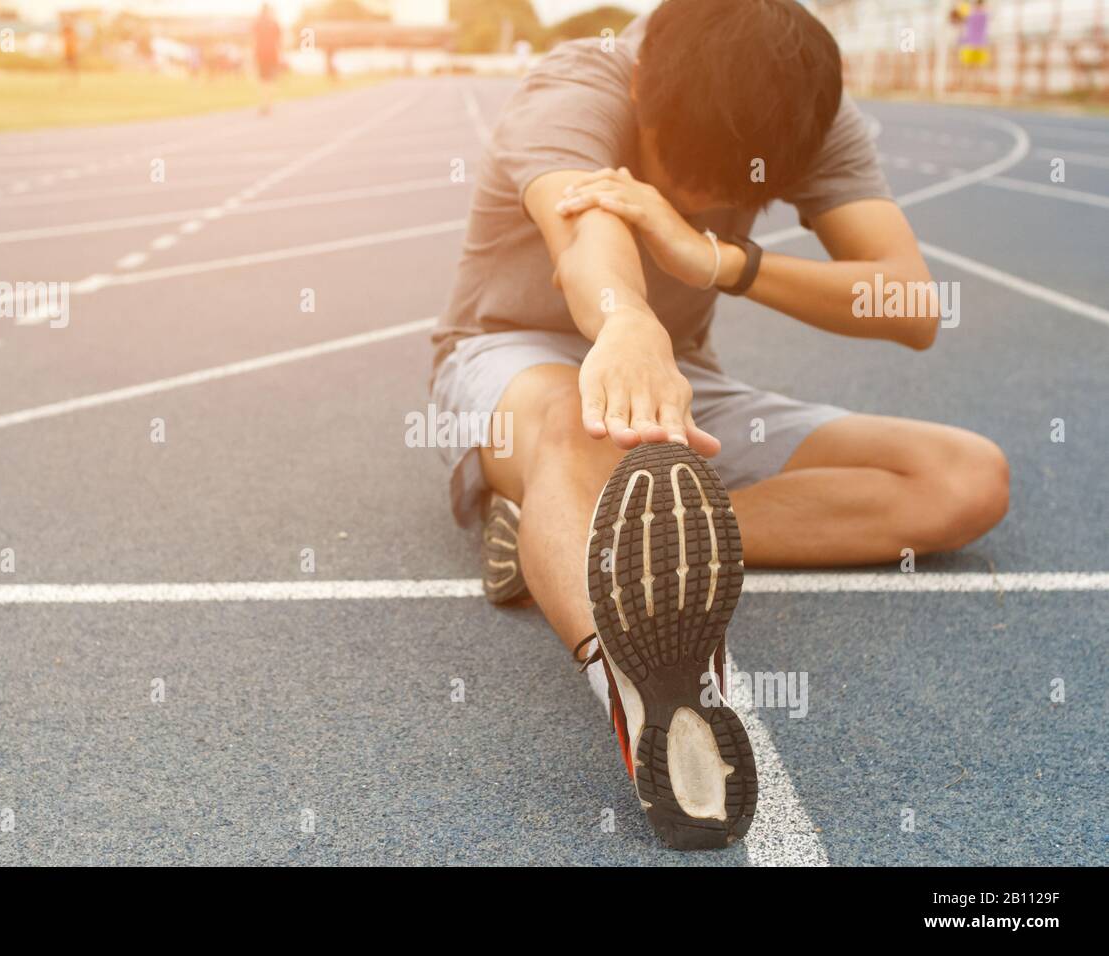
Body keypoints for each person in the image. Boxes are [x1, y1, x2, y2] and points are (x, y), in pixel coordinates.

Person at [429, 0, 1008, 850]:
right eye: (678, 173)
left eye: (735, 194)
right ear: (642, 91)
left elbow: (912, 303)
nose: (702, 200)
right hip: (512, 356)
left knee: (964, 479)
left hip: (678, 374)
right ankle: (638, 691)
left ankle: (604, 534)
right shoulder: (580, 83)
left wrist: (720, 259)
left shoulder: (801, 106)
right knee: (583, 423)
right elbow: (585, 229)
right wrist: (627, 324)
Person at [253, 3, 282, 115]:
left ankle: (264, 103)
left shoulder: (258, 23)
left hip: (261, 53)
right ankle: (268, 104)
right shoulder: (273, 23)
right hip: (271, 54)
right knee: (269, 80)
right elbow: (279, 41)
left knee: (263, 80)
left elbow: (253, 39)